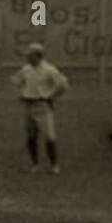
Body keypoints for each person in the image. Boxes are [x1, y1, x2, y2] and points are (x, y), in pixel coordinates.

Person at [12, 41, 69, 174]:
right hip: (28, 105)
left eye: (30, 55)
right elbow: (16, 81)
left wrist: (51, 96)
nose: (27, 57)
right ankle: (35, 164)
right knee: (31, 136)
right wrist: (22, 93)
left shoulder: (49, 69)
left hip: (42, 105)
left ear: (37, 56)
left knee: (49, 136)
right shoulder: (26, 69)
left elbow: (63, 84)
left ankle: (54, 165)